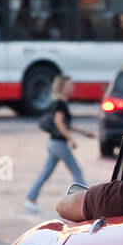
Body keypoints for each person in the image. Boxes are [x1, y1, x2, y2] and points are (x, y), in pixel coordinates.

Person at [25, 75, 93, 211]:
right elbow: (59, 122)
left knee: (45, 174)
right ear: (63, 88)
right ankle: (89, 204)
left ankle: (30, 199)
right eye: (69, 85)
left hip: (53, 144)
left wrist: (84, 133)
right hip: (59, 145)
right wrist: (70, 139)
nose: (72, 88)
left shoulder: (58, 103)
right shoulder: (60, 104)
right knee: (77, 172)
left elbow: (65, 125)